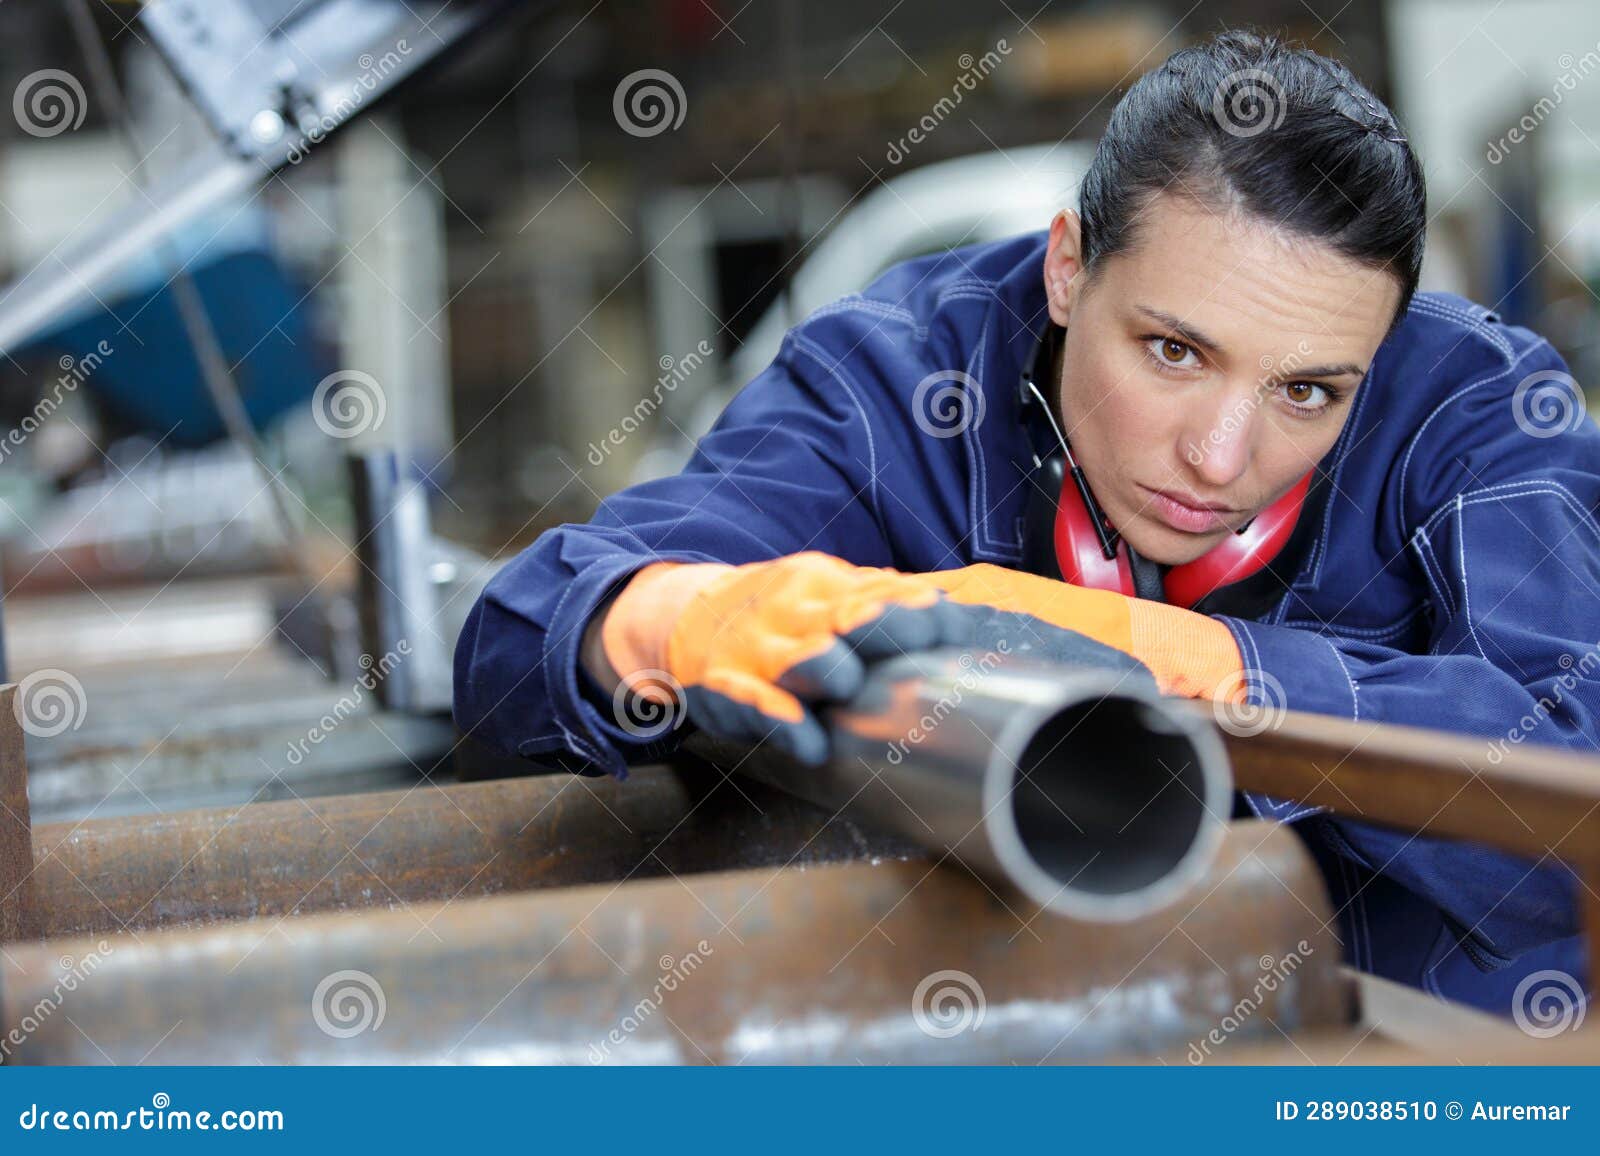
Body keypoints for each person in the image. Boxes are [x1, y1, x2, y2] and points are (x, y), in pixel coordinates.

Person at [454, 31, 1600, 1016]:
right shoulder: (896, 381)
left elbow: (1570, 769)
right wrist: (679, 621)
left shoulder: (1471, 408)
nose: (1218, 456)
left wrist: (1181, 661)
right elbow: (515, 638)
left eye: (1308, 391)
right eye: (1172, 351)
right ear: (1066, 269)